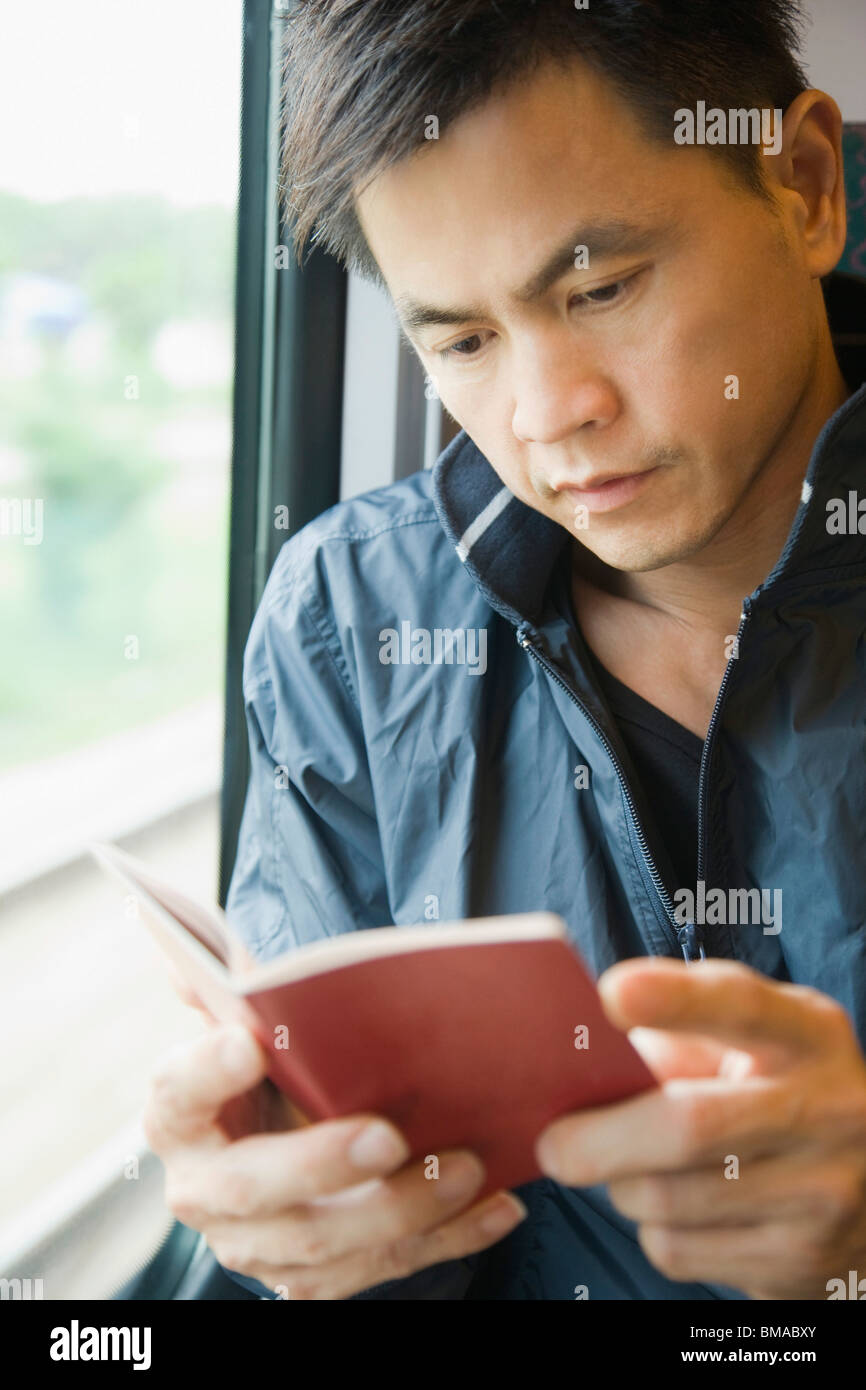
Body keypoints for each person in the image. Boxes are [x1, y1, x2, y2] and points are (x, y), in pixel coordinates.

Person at [144, 0, 866, 1300]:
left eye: (598, 288)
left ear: (803, 188)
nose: (544, 417)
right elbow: (321, 1132)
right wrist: (282, 1227)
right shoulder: (344, 621)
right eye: (461, 341)